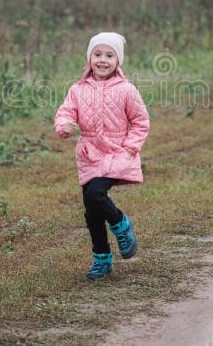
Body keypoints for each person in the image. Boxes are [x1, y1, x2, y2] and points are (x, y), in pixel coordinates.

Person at [54, 32, 150, 279]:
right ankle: (102, 259)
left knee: (96, 195)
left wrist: (130, 147)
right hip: (89, 153)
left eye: (109, 55)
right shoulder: (78, 89)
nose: (102, 60)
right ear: (89, 58)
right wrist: (64, 126)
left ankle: (121, 224)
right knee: (91, 208)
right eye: (97, 54)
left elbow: (140, 121)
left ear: (118, 61)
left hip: (117, 151)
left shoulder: (126, 89)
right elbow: (65, 112)